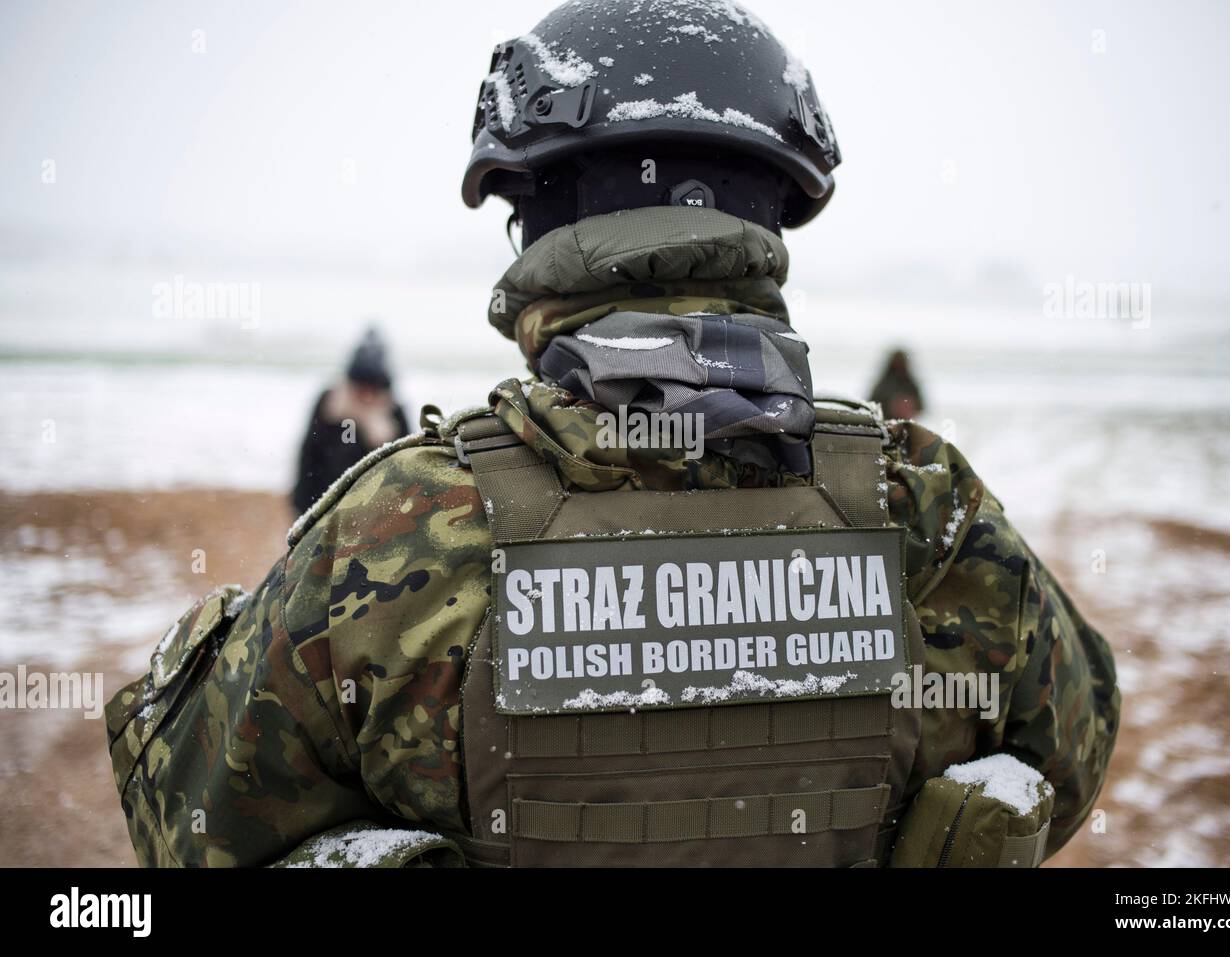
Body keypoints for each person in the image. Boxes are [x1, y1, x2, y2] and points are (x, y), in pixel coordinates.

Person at [106, 0, 1119, 868]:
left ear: (537, 222)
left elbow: (188, 822)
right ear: (767, 220)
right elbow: (1071, 743)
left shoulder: (397, 529)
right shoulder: (929, 514)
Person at [290, 328, 410, 515]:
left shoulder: (393, 413)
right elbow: (308, 458)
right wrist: (303, 508)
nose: (367, 394)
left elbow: (406, 468)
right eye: (362, 386)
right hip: (326, 507)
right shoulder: (330, 405)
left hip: (376, 514)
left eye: (373, 388)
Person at [869, 349, 925, 420]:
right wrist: (891, 407)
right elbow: (872, 405)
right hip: (886, 423)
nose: (899, 367)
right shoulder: (883, 384)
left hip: (907, 423)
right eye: (897, 363)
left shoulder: (910, 384)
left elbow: (921, 406)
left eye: (900, 363)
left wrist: (909, 407)